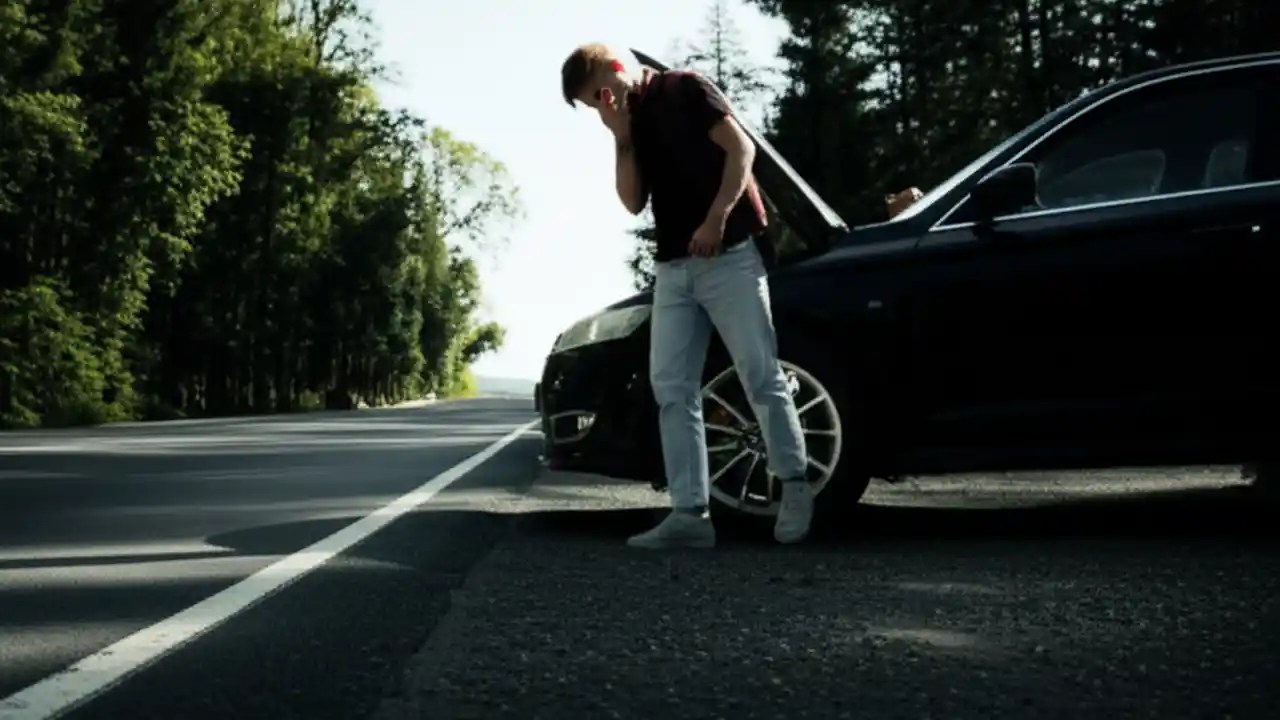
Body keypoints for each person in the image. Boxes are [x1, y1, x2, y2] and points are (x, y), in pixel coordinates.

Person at [560, 43, 814, 549]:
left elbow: (742, 150)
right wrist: (620, 138)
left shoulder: (685, 88)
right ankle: (690, 514)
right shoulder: (628, 123)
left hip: (731, 255)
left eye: (600, 95)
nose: (603, 105)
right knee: (672, 388)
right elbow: (633, 203)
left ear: (616, 69)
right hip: (674, 268)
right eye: (594, 106)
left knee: (759, 374)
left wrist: (717, 218)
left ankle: (796, 487)